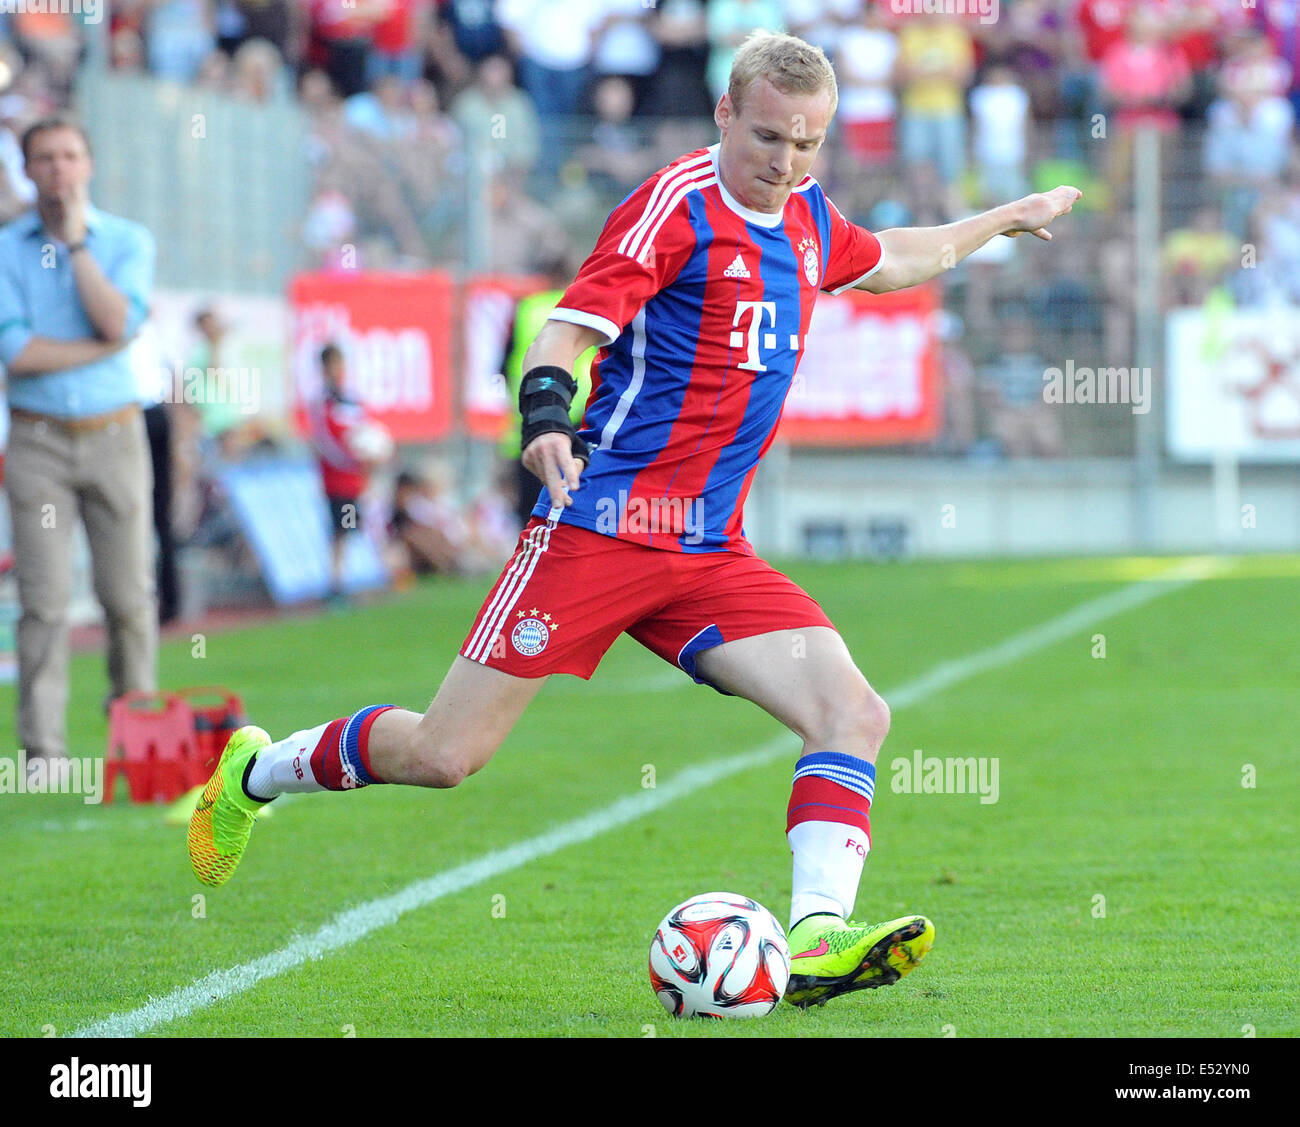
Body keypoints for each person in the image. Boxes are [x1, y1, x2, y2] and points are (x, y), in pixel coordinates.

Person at [189, 32, 1080, 1009]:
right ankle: (258, 769)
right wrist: (544, 416)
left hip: (706, 549)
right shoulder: (674, 208)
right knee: (445, 755)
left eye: (808, 144)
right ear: (724, 116)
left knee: (853, 711)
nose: (786, 163)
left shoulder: (810, 220)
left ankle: (819, 934)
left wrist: (1006, 217)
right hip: (600, 529)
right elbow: (571, 327)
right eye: (770, 138)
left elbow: (895, 259)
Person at [0, 116, 157, 759]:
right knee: (45, 602)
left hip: (115, 434)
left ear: (87, 165)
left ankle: (141, 735)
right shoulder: (7, 247)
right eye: (45, 158)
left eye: (69, 156)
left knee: (128, 597)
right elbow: (17, 353)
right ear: (27, 170)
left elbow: (119, 317)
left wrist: (76, 246)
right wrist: (103, 346)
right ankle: (44, 755)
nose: (59, 169)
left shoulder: (125, 240)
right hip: (38, 442)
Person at [309, 343, 379, 604]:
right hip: (335, 479)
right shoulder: (322, 400)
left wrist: (370, 457)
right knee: (340, 530)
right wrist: (351, 460)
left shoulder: (350, 398)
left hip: (356, 480)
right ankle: (336, 585)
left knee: (352, 529)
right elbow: (323, 441)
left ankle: (348, 581)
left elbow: (365, 432)